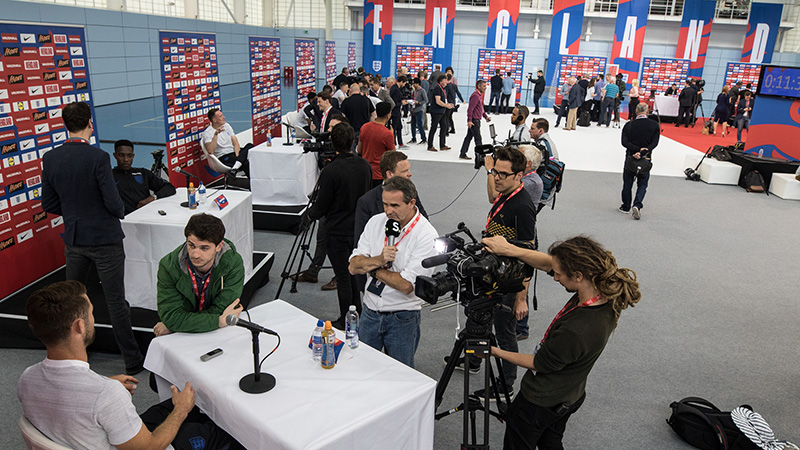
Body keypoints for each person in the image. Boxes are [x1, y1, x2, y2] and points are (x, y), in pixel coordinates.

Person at [18, 281, 243, 450]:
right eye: (91, 314)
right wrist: (181, 410)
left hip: (91, 437)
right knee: (226, 427)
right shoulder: (106, 395)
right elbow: (150, 447)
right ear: (79, 326)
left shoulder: (26, 379)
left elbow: (69, 396)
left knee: (172, 408)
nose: (93, 319)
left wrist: (105, 383)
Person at [480, 235, 641, 449]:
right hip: (571, 394)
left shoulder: (577, 330)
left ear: (578, 276)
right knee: (551, 441)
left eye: (558, 274)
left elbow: (539, 363)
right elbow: (548, 263)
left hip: (540, 401)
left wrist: (494, 351)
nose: (554, 277)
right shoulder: (605, 290)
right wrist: (511, 250)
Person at [41, 101, 144, 375]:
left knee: (72, 300)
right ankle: (132, 361)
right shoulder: (98, 158)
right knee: (115, 301)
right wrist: (120, 211)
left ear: (66, 125)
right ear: (89, 123)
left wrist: (76, 212)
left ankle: (71, 356)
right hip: (105, 239)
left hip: (74, 239)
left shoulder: (50, 158)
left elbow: (49, 203)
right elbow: (113, 203)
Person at [467, 147, 537, 399]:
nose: (496, 177)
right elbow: (491, 194)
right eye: (495, 171)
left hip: (509, 281)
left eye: (503, 174)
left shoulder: (522, 206)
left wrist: (521, 297)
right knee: (477, 315)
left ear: (519, 176)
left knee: (505, 332)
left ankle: (505, 383)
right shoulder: (504, 194)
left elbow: (529, 255)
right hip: (492, 272)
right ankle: (474, 360)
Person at [349, 176, 438, 367]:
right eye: (385, 204)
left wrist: (373, 270)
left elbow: (406, 285)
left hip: (402, 317)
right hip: (370, 312)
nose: (388, 211)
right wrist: (380, 260)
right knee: (360, 368)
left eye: (395, 205)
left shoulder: (426, 235)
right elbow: (353, 266)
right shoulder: (376, 222)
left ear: (412, 203)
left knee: (400, 376)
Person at [308, 123, 372, 328]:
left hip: (336, 231)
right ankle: (357, 311)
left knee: (343, 277)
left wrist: (310, 214)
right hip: (358, 230)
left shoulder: (331, 170)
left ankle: (347, 319)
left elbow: (322, 206)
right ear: (352, 141)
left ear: (332, 142)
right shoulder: (364, 165)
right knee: (352, 272)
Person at [153, 213, 244, 335]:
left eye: (204, 248)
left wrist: (177, 325)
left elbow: (223, 309)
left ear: (219, 246)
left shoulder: (232, 263)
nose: (195, 254)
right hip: (189, 333)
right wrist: (218, 321)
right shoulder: (168, 266)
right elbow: (171, 317)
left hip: (216, 332)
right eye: (191, 245)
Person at [112, 140, 176, 216]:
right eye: (121, 155)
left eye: (129, 156)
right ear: (115, 155)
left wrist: (152, 197)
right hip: (124, 221)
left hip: (146, 218)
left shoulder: (143, 173)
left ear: (133, 156)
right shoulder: (109, 177)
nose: (126, 159)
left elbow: (169, 187)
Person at [620, 103, 660, 220]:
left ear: (636, 111)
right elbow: (654, 143)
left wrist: (636, 150)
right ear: (647, 111)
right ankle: (637, 204)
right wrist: (643, 151)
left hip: (631, 157)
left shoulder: (629, 125)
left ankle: (626, 206)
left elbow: (624, 142)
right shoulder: (654, 125)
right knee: (642, 184)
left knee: (627, 182)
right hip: (645, 158)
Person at [202, 108, 250, 177]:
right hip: (223, 157)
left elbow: (235, 141)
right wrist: (216, 134)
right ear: (214, 120)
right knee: (246, 162)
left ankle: (234, 168)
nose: (224, 117)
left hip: (233, 153)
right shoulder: (207, 133)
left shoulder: (226, 126)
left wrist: (237, 154)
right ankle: (254, 186)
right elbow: (210, 151)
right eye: (221, 116)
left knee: (250, 146)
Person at [358, 101, 396, 188]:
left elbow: (359, 150)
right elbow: (393, 154)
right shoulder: (387, 134)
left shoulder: (365, 127)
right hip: (379, 173)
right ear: (388, 115)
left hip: (365, 170)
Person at [460, 79, 492, 160]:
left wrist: (485, 117)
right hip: (474, 121)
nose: (485, 88)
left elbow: (481, 109)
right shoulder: (475, 96)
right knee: (478, 139)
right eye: (484, 86)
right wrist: (469, 121)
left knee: (469, 137)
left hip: (476, 120)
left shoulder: (479, 96)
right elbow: (470, 109)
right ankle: (481, 156)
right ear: (479, 86)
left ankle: (463, 153)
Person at [428, 74, 454, 152]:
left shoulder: (443, 89)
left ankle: (442, 145)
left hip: (442, 111)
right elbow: (438, 101)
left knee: (444, 127)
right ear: (441, 81)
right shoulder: (437, 89)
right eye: (445, 80)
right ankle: (430, 145)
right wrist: (446, 105)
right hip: (436, 111)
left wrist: (447, 105)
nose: (446, 81)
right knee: (434, 128)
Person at [389, 75, 408, 148]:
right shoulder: (396, 89)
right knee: (394, 128)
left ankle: (400, 143)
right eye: (404, 83)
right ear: (402, 82)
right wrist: (401, 103)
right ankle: (392, 144)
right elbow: (394, 103)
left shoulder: (395, 88)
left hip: (397, 112)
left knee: (399, 127)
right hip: (395, 112)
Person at [409, 77, 428, 145]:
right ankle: (413, 138)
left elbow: (426, 100)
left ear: (417, 84)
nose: (413, 85)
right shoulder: (414, 91)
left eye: (414, 83)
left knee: (420, 125)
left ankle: (424, 139)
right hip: (413, 110)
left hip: (419, 110)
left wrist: (419, 103)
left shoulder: (422, 91)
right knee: (412, 125)